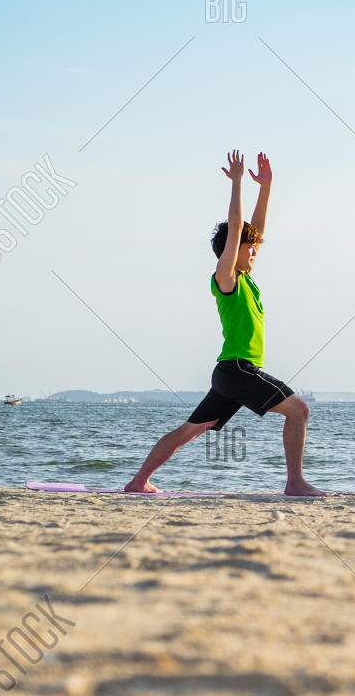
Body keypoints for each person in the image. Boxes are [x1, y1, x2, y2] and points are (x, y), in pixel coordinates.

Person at [125, 151, 322, 496]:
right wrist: (236, 184)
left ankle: (139, 482)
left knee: (191, 430)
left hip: (230, 375)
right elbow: (237, 227)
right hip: (237, 370)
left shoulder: (247, 279)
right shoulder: (226, 278)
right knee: (298, 410)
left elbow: (253, 230)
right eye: (249, 247)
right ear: (233, 249)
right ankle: (295, 483)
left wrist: (267, 188)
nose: (256, 249)